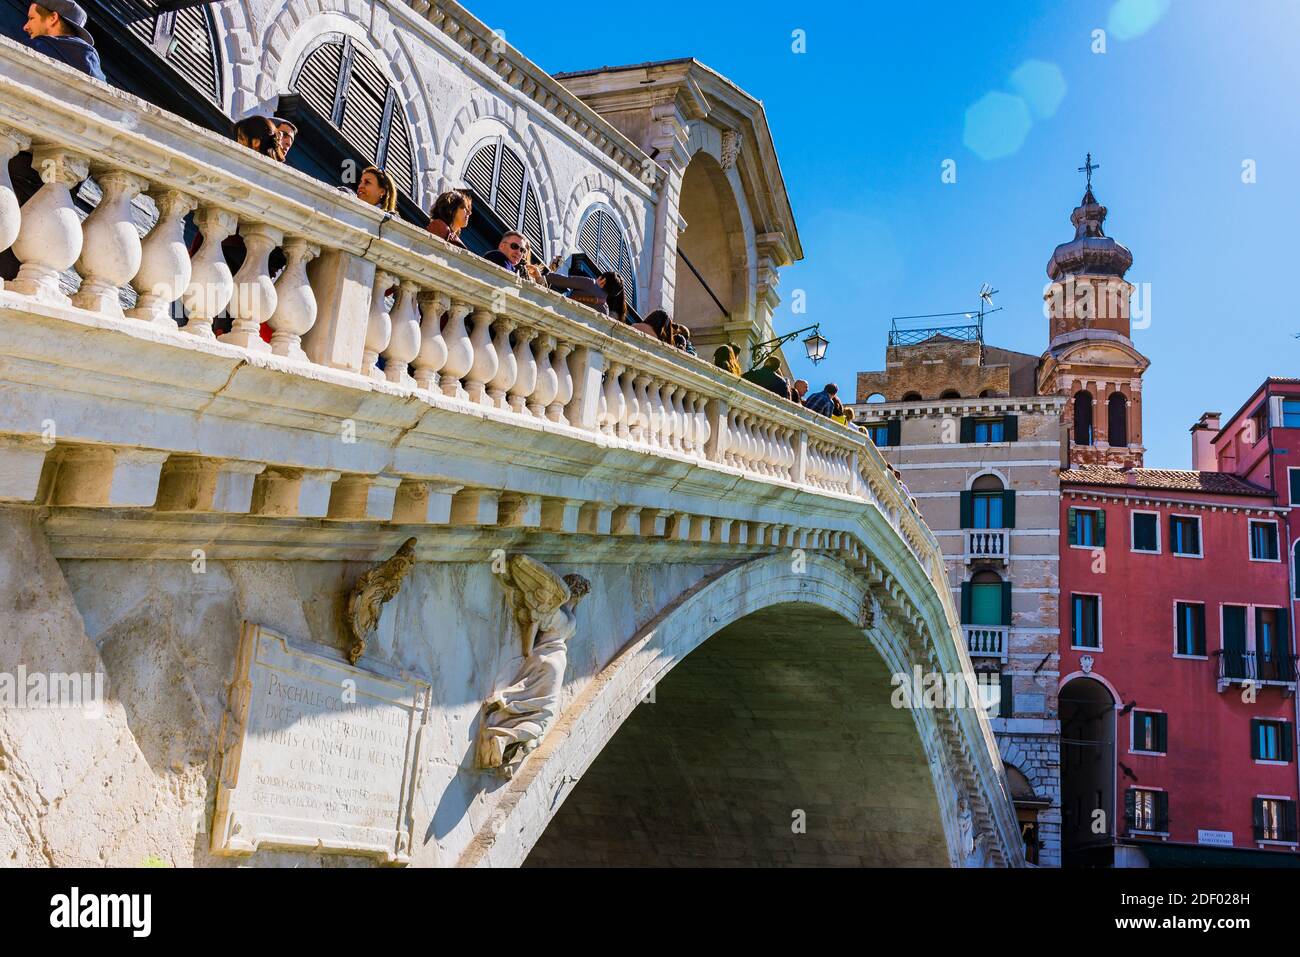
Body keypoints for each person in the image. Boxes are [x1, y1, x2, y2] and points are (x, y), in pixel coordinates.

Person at [23, 1, 104, 82]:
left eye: (31, 18)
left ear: (53, 18)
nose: (25, 27)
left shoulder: (34, 47)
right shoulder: (91, 61)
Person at [546, 268, 626, 322]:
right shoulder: (605, 311)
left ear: (603, 280)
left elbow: (563, 281)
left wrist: (546, 274)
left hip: (557, 314)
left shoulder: (590, 283)